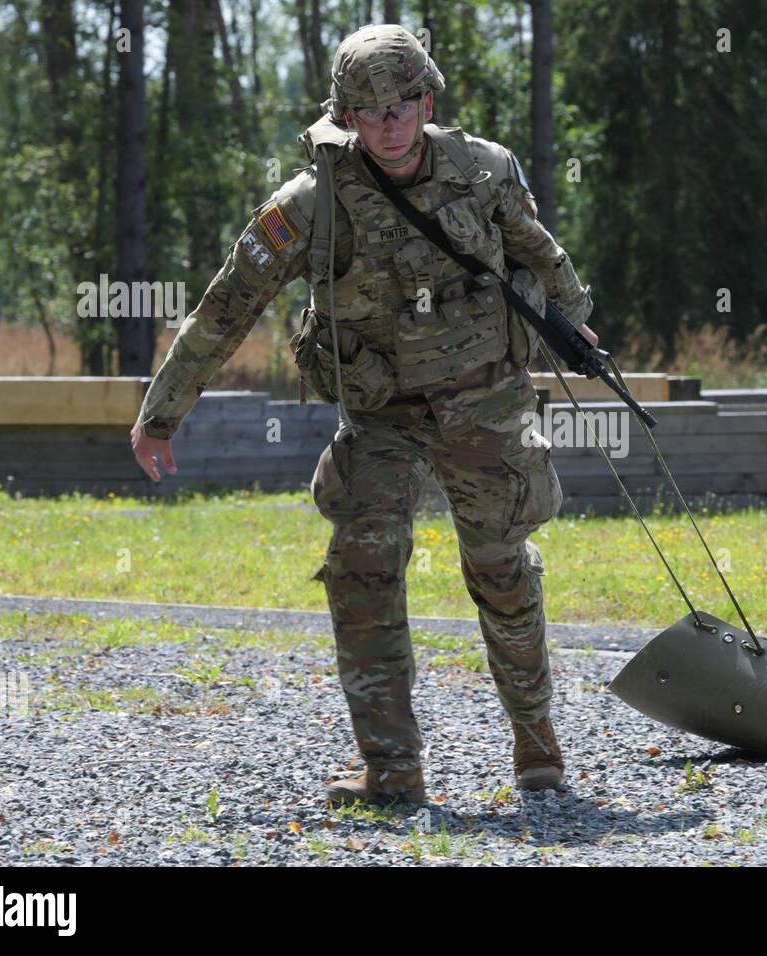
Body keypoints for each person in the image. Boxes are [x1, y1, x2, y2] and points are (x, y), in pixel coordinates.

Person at [129, 24, 597, 807]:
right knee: (362, 569)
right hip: (383, 415)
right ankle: (391, 767)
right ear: (345, 115)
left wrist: (578, 322)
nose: (391, 122)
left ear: (428, 99)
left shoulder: (483, 171)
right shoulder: (311, 204)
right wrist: (162, 413)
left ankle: (536, 747)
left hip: (484, 399)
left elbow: (540, 251)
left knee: (501, 571)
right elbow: (226, 306)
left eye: (404, 103)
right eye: (371, 109)